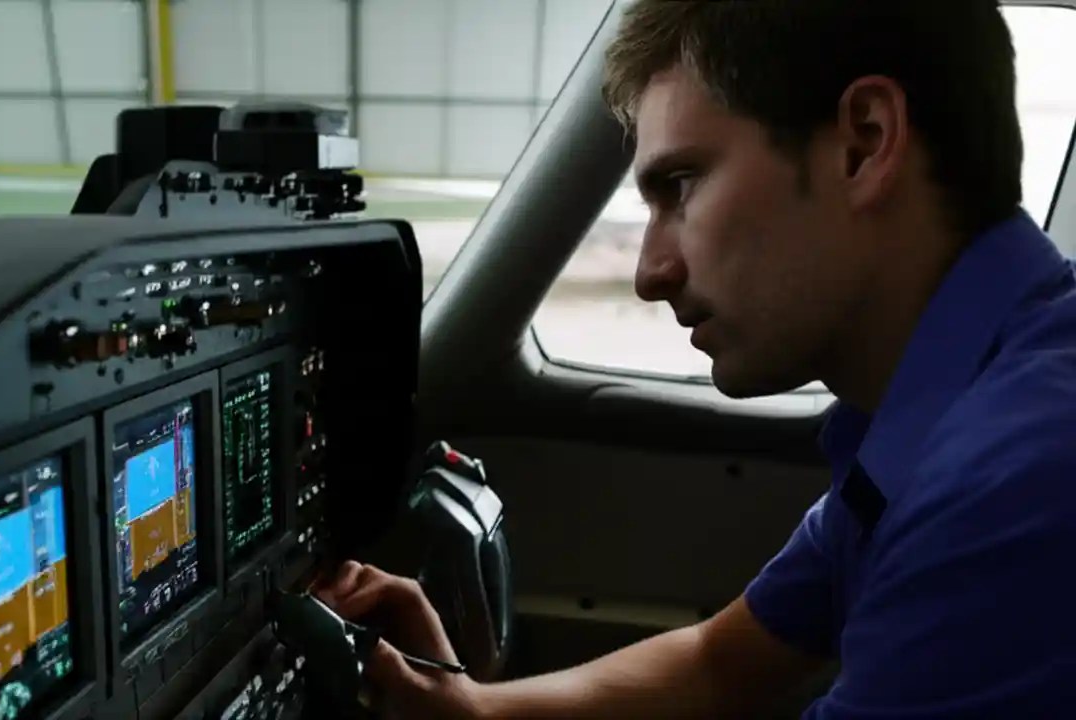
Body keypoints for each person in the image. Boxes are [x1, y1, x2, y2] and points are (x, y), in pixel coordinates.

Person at [316, 0, 1076, 717]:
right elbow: (723, 660)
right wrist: (470, 710)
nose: (650, 272)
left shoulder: (1015, 477)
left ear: (865, 142)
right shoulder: (925, 419)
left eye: (680, 185)